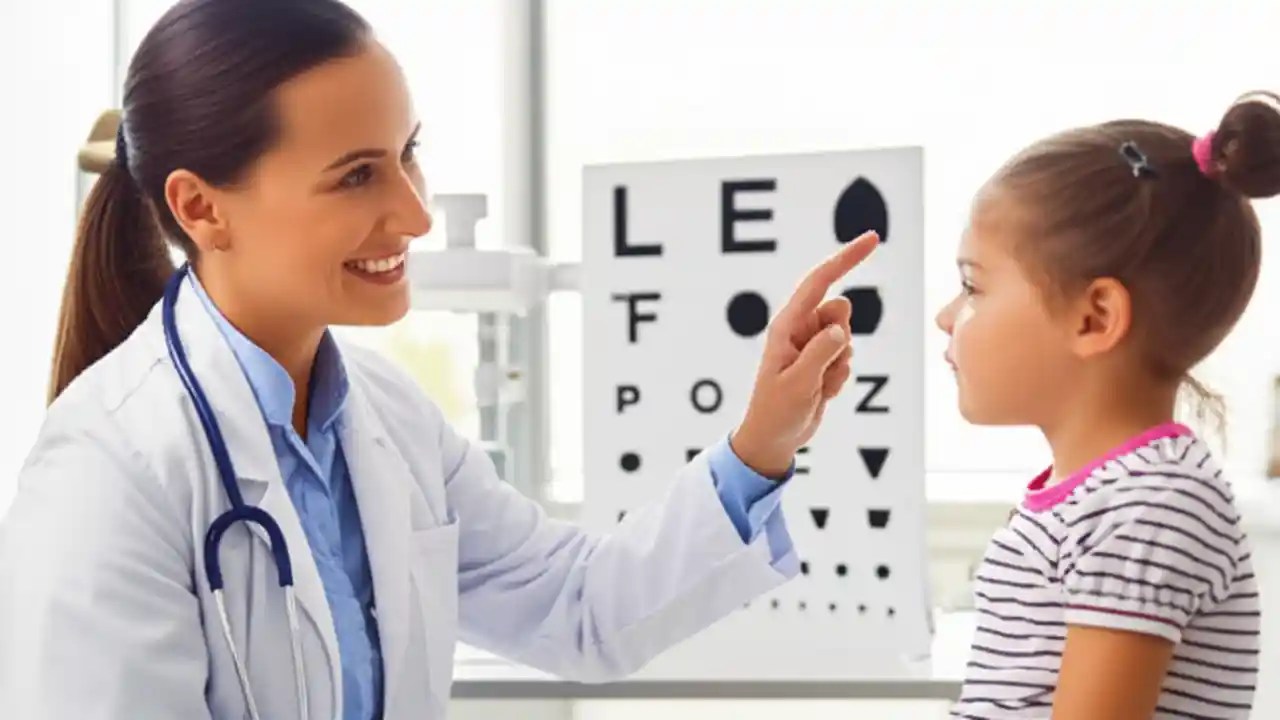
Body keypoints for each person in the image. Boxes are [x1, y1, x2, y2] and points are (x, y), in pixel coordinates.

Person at [0, 1, 876, 718]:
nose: (415, 213)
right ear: (202, 208)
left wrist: (764, 440)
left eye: (408, 153)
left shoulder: (383, 415)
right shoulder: (110, 467)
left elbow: (578, 609)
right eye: (356, 176)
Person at [937, 92, 1279, 719]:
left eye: (972, 287)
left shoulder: (1151, 504)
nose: (946, 317)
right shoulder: (1103, 496)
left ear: (1095, 317)